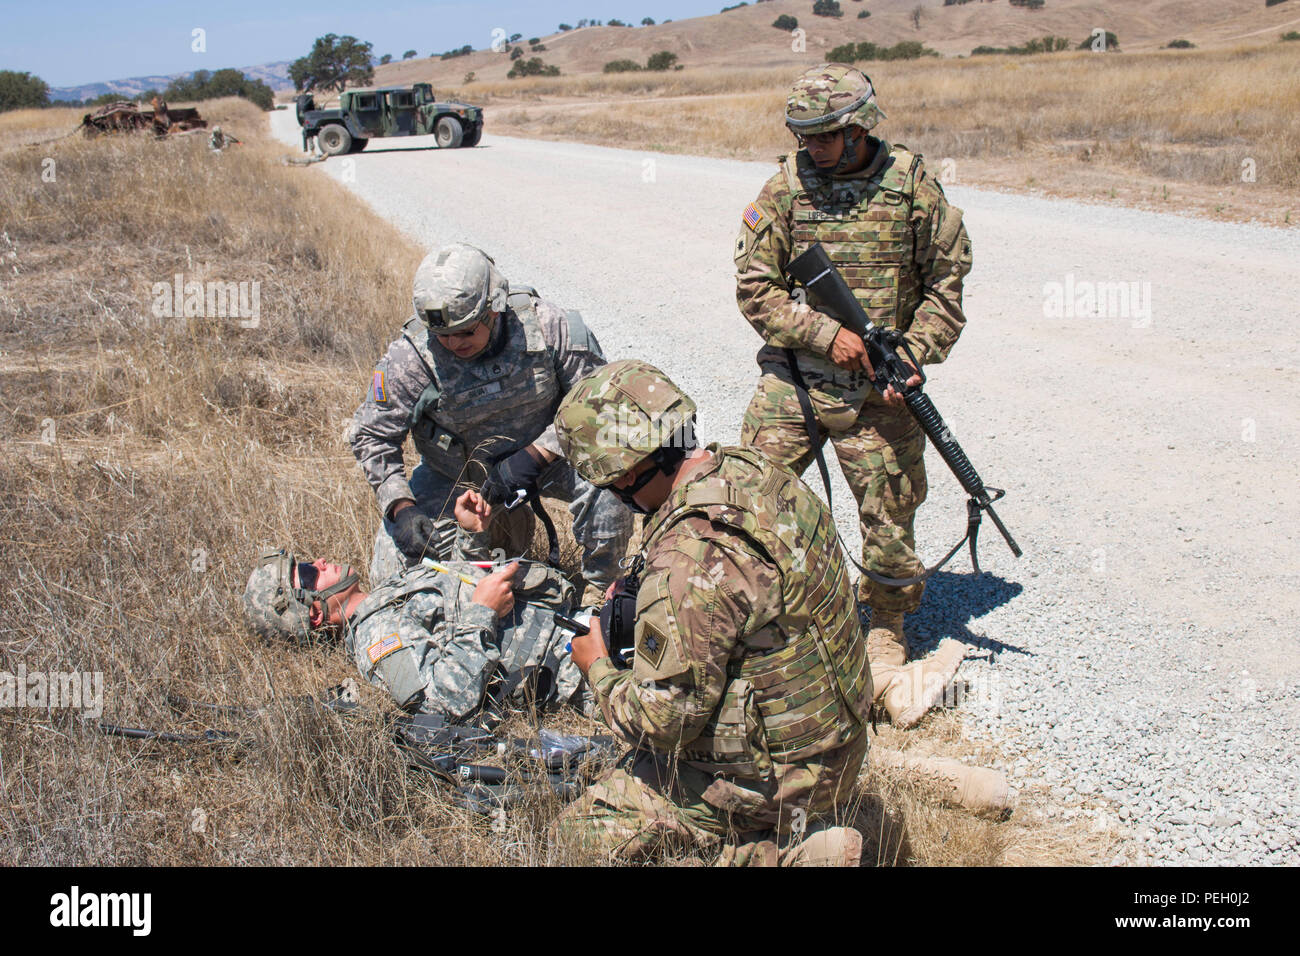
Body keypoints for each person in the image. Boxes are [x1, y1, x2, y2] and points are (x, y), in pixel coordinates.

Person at [550, 360, 874, 866]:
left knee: (577, 840)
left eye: (611, 484)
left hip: (783, 783)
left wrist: (597, 668)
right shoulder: (759, 471)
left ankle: (774, 853)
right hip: (843, 744)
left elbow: (666, 721)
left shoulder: (689, 555)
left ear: (632, 472)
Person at [732, 63, 971, 728]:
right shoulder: (785, 187)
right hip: (799, 380)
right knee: (752, 497)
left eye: (826, 138)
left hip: (880, 391)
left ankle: (887, 623)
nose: (813, 150)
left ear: (860, 127)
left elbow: (946, 288)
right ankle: (754, 614)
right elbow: (755, 286)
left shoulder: (911, 186)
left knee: (892, 506)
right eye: (802, 137)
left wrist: (914, 358)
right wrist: (819, 332)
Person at [348, 242, 633, 604]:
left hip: (549, 460)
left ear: (494, 310)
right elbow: (372, 435)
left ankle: (602, 596)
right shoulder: (413, 358)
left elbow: (596, 403)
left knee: (610, 469)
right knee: (394, 571)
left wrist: (538, 453)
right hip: (456, 475)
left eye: (466, 331)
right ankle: (483, 570)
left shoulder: (547, 328)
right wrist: (400, 507)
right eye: (442, 334)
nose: (453, 343)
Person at [242, 490, 588, 721]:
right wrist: (484, 612)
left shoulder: (384, 594)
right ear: (314, 612)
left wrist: (471, 535)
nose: (318, 561)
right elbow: (442, 703)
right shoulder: (376, 638)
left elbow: (459, 590)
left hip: (572, 622)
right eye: (306, 573)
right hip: (572, 663)